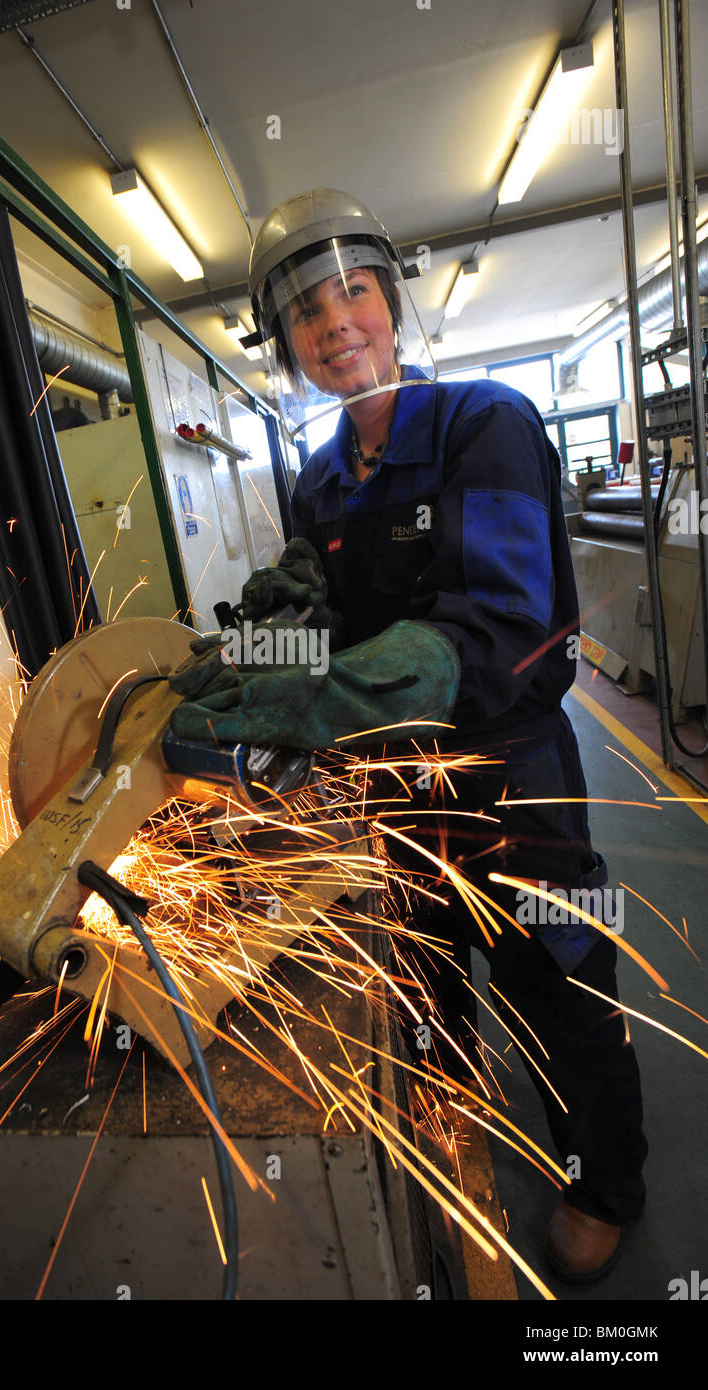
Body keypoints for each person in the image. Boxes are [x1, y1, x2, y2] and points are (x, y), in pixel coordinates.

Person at [171, 188, 646, 1283]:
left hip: (509, 773)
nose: (334, 322)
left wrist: (318, 696)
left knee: (555, 980)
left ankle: (605, 1179)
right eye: (304, 312)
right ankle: (454, 1123)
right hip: (389, 789)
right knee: (419, 981)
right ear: (285, 345)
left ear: (391, 300)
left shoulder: (486, 421)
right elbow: (324, 631)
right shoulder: (320, 478)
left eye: (353, 291)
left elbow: (491, 628)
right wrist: (256, 656)